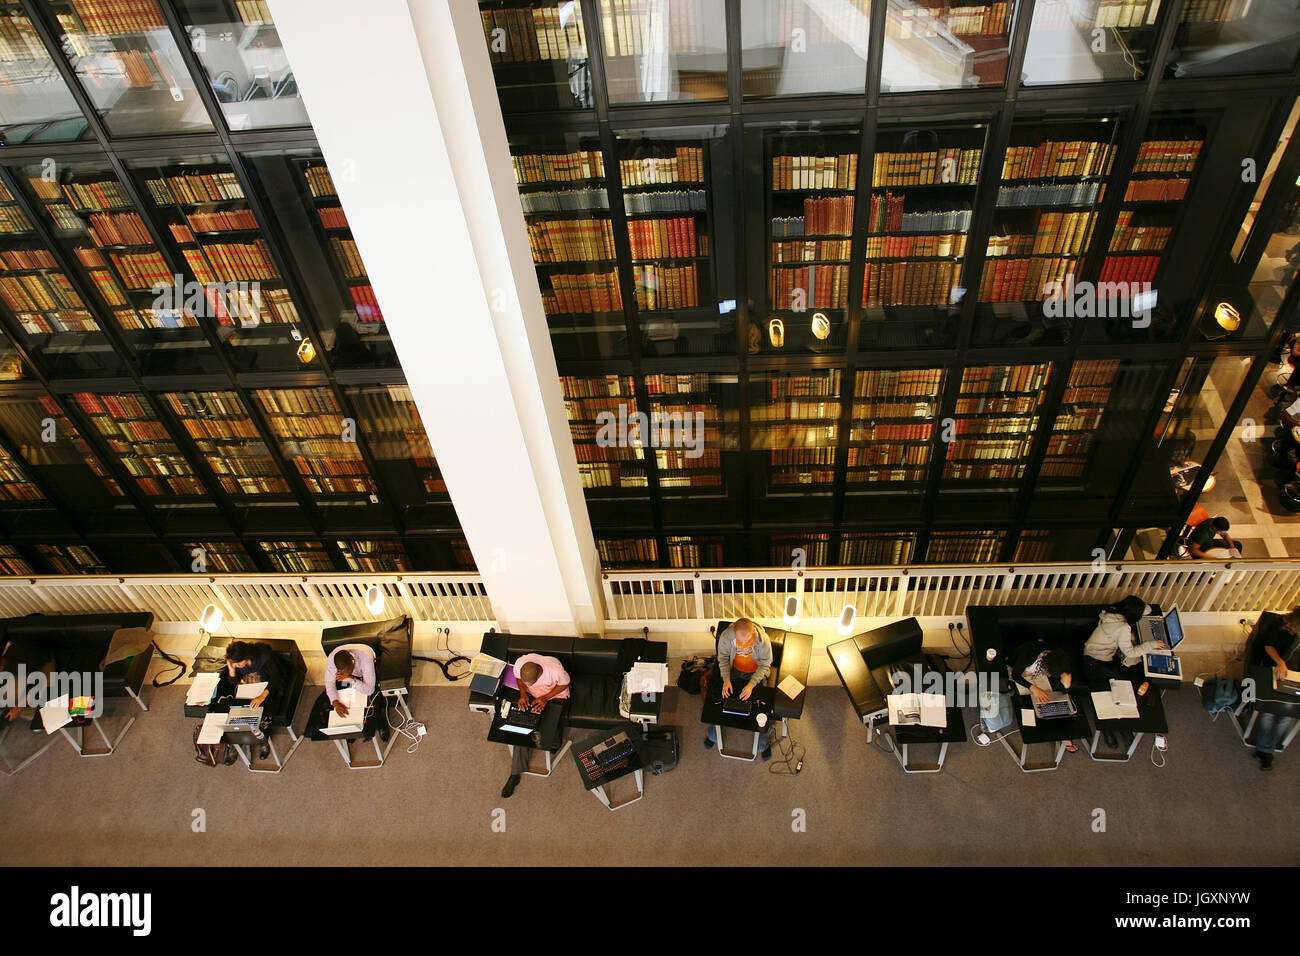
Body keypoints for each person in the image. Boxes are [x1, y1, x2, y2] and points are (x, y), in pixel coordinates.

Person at [1083, 596, 1165, 748]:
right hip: (1096, 662)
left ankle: (1121, 726)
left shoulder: (1112, 612)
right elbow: (1131, 652)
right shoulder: (1122, 628)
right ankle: (1110, 729)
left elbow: (1147, 609)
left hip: (1094, 655)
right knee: (1112, 691)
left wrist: (1143, 608)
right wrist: (1152, 645)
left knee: (1122, 685)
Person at [500, 653, 570, 799]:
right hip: (532, 696)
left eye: (532, 682)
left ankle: (554, 742)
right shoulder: (520, 663)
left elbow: (564, 684)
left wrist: (544, 698)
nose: (529, 685)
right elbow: (519, 680)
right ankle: (515, 773)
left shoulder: (555, 669)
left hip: (554, 697)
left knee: (549, 724)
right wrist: (523, 694)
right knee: (521, 727)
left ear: (539, 672)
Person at [704, 618, 774, 761]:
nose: (742, 643)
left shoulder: (763, 640)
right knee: (723, 697)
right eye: (739, 640)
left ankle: (764, 741)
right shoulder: (726, 636)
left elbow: (766, 664)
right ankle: (714, 733)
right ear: (734, 632)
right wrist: (726, 679)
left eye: (746, 640)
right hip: (734, 671)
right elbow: (722, 658)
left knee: (762, 707)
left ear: (752, 632)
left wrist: (751, 684)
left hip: (756, 673)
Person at [1247, 607, 1300, 771]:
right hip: (1274, 668)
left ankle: (1265, 749)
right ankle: (1266, 751)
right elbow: (1268, 646)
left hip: (1296, 674)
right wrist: (1280, 662)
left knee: (1286, 715)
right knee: (1270, 712)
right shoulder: (1282, 626)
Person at [216, 641, 283, 760]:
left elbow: (276, 678)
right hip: (248, 691)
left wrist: (262, 696)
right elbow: (234, 684)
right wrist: (231, 671)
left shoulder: (264, 657)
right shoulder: (237, 665)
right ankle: (238, 741)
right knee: (235, 714)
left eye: (237, 663)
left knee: (258, 716)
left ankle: (262, 741)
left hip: (267, 691)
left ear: (246, 657)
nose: (236, 665)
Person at [307, 644, 387, 742]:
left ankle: (380, 724)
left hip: (364, 673)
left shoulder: (365, 659)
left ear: (352, 660)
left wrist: (350, 679)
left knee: (373, 699)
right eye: (342, 671)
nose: (345, 672)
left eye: (348, 670)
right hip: (347, 678)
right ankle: (351, 727)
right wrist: (335, 701)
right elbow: (329, 682)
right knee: (332, 701)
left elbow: (369, 689)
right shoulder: (332, 659)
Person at [1011, 641, 1078, 752]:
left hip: (1041, 678)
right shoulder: (1029, 654)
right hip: (1023, 676)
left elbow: (1062, 690)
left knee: (1052, 702)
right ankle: (1040, 728)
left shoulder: (1061, 661)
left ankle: (1061, 733)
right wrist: (1034, 688)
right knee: (1028, 702)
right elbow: (1015, 675)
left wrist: (1066, 685)